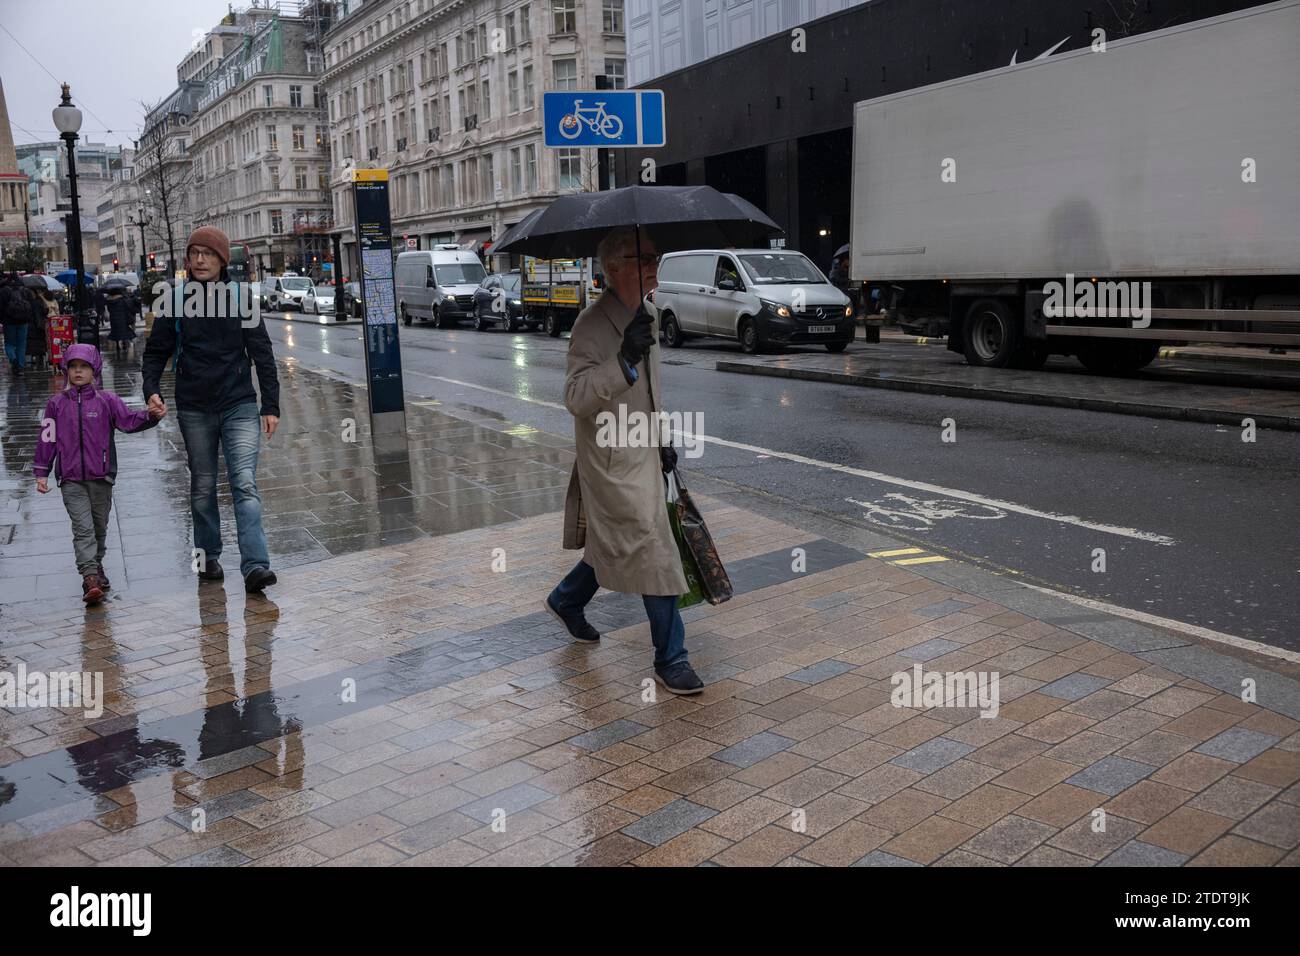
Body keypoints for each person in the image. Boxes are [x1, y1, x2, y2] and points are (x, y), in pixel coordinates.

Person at [545, 226, 704, 696]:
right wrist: (624, 360)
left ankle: (566, 599)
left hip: (644, 452)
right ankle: (671, 658)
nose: (655, 264)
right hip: (612, 462)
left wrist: (664, 439)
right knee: (653, 547)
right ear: (613, 269)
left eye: (656, 255)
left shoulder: (649, 314)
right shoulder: (591, 326)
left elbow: (652, 396)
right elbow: (576, 398)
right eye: (644, 257)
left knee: (621, 545)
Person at [142, 225, 281, 593]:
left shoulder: (240, 298)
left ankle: (255, 566)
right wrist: (150, 388)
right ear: (188, 259)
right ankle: (208, 557)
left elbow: (262, 354)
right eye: (194, 253)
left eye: (208, 253)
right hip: (195, 406)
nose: (200, 259)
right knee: (202, 485)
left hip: (238, 403)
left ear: (222, 259)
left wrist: (271, 404)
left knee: (245, 483)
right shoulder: (174, 299)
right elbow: (156, 351)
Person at [33, 343, 164, 603]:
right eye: (73, 367)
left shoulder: (107, 401)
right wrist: (41, 472)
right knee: (83, 529)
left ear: (95, 370)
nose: (79, 372)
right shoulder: (56, 404)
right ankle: (89, 577)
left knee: (99, 527)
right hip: (70, 479)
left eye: (84, 367)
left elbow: (127, 421)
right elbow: (46, 439)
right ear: (66, 370)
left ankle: (97, 565)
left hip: (101, 477)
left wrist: (151, 416)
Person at [1, 274, 37, 374]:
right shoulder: (25, 290)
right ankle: (20, 366)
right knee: (21, 344)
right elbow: (32, 305)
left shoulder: (4, 290)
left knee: (9, 344)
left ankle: (13, 360)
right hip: (23, 321)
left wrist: (2, 319)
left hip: (9, 322)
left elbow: (1, 307)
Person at [106, 287, 136, 354]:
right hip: (123, 319)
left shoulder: (109, 302)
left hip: (114, 320)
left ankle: (118, 347)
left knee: (116, 334)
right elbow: (128, 308)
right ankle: (126, 347)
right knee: (125, 334)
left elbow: (109, 310)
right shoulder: (123, 300)